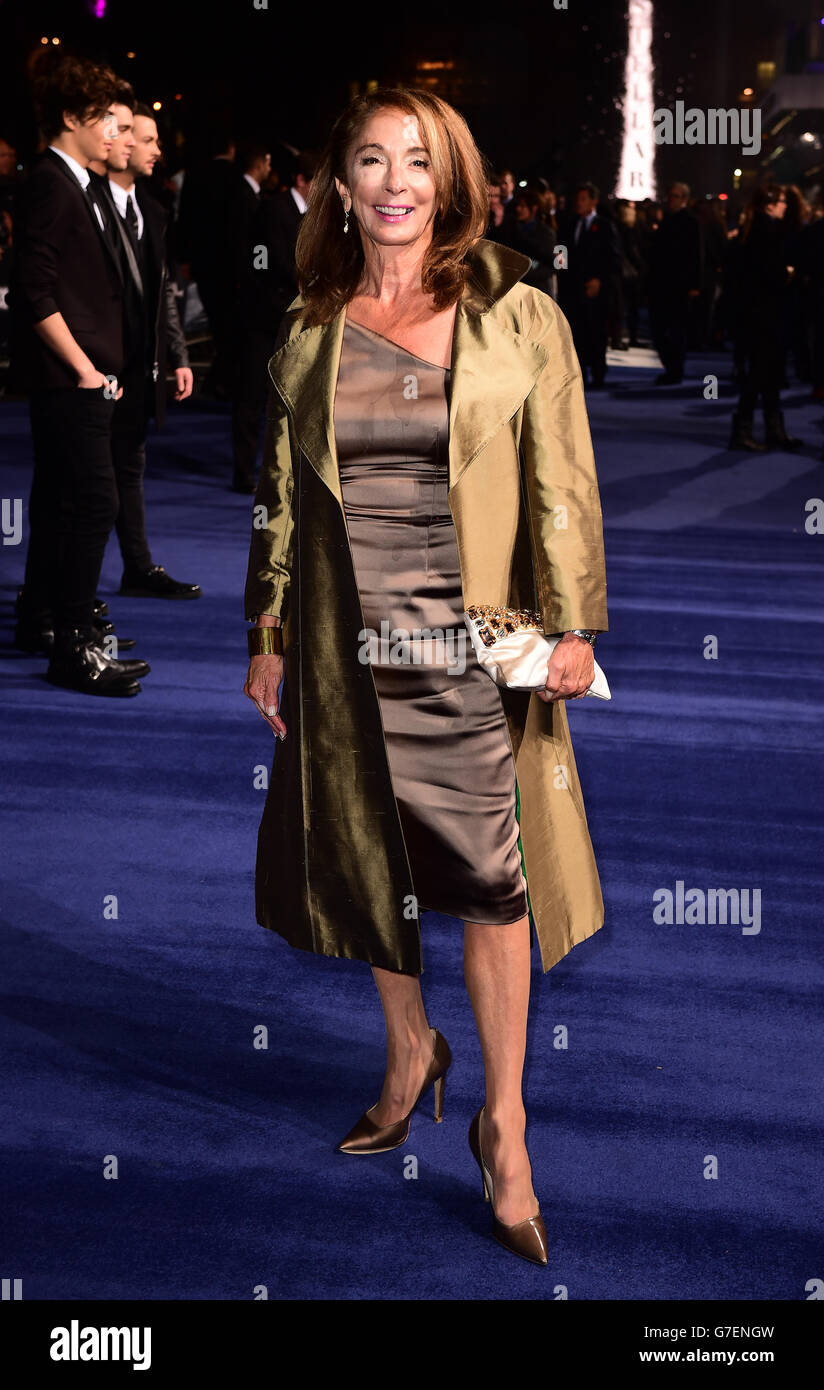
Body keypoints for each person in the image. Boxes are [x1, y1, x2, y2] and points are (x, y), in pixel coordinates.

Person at [242, 87, 608, 1266]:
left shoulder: (516, 316)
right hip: (352, 653)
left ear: (449, 183)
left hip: (470, 655)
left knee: (493, 888)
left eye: (417, 161)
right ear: (338, 184)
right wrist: (268, 624)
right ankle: (410, 1051)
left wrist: (570, 623)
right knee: (370, 865)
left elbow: (562, 477)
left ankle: (504, 1125)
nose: (394, 183)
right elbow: (283, 496)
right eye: (369, 159)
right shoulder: (308, 328)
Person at [12, 54, 148, 696]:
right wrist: (86, 368)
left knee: (68, 503)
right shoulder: (50, 181)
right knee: (95, 502)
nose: (113, 134)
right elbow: (32, 290)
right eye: (102, 121)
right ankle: (75, 644)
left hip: (88, 376)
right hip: (71, 379)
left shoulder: (77, 183)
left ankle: (55, 626)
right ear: (71, 119)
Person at [100, 98, 200, 599]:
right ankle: (58, 599)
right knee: (92, 483)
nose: (158, 150)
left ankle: (136, 567)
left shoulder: (154, 212)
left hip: (142, 369)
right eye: (149, 139)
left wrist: (177, 356)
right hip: (98, 373)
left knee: (130, 469)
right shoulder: (91, 202)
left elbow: (164, 293)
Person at [230, 153, 316, 493]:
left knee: (290, 399)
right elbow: (265, 262)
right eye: (319, 182)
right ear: (301, 181)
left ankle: (284, 472)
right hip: (263, 320)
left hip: (295, 318)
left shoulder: (311, 216)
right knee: (252, 397)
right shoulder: (273, 210)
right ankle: (244, 473)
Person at [728, 184, 803, 453]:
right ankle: (745, 430)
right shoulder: (765, 231)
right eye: (781, 201)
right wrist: (788, 273)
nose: (785, 205)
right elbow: (769, 274)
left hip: (757, 313)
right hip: (765, 314)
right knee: (761, 374)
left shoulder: (754, 229)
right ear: (770, 204)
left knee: (767, 374)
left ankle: (773, 430)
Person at [557, 181, 621, 388]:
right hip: (572, 288)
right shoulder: (569, 223)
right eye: (578, 199)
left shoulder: (604, 225)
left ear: (593, 201)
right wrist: (560, 268)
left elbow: (612, 257)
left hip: (595, 289)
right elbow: (560, 250)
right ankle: (580, 373)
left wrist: (599, 280)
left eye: (584, 199)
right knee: (576, 334)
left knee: (596, 333)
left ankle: (599, 373)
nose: (579, 203)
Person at [647, 182, 702, 385]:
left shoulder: (691, 222)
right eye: (670, 196)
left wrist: (694, 285)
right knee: (659, 330)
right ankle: (671, 367)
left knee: (676, 331)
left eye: (676, 196)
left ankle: (675, 369)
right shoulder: (666, 220)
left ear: (685, 199)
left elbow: (696, 254)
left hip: (680, 286)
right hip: (661, 284)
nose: (672, 200)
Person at [510, 185, 556, 297]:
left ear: (534, 209)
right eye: (518, 205)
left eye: (523, 206)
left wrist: (527, 274)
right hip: (515, 291)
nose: (518, 209)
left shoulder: (546, 233)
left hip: (537, 291)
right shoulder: (511, 229)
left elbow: (554, 265)